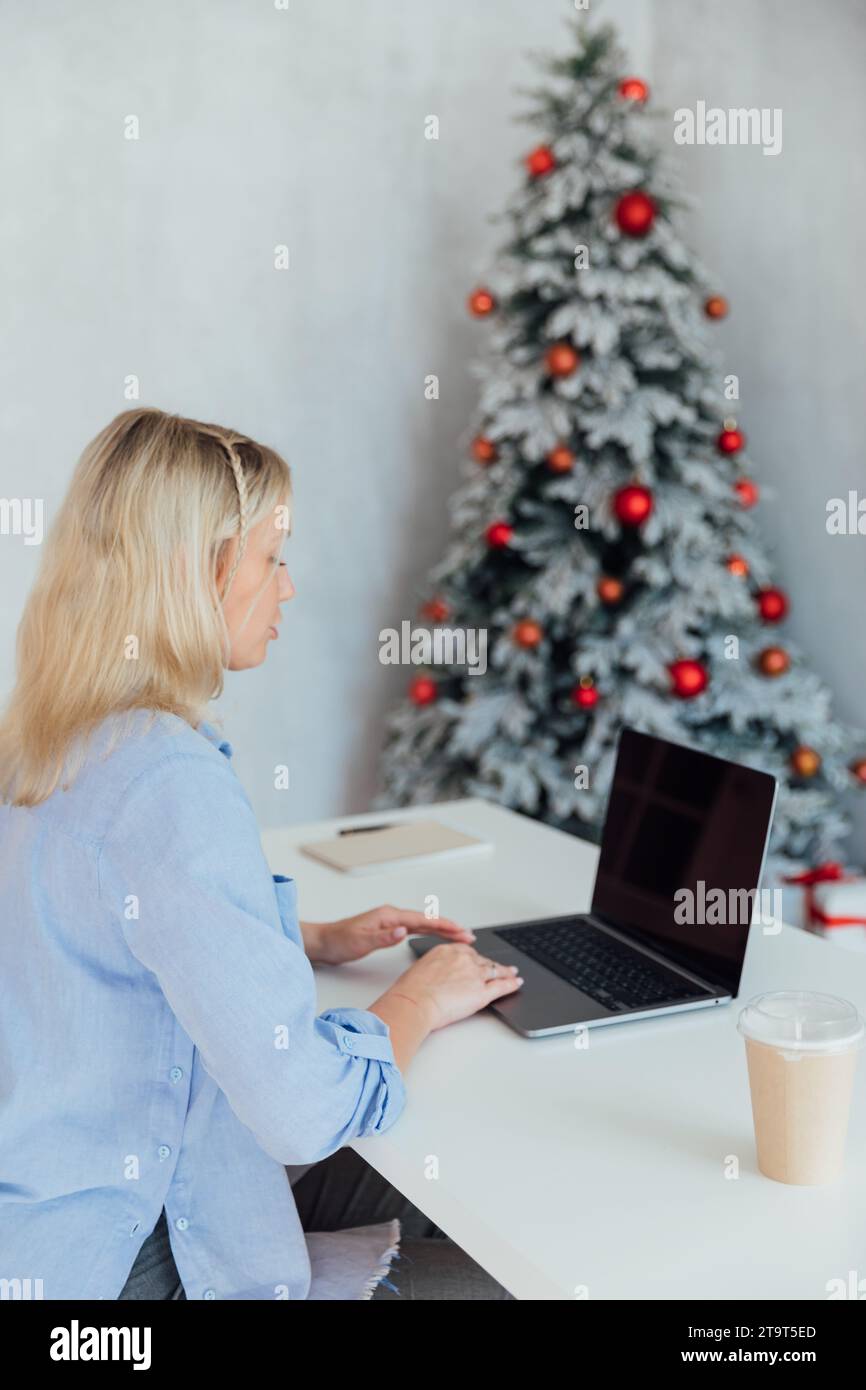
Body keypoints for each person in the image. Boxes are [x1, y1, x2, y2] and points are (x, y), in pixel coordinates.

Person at [0, 408, 521, 1301]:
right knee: (500, 1269)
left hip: (42, 1235)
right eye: (271, 558)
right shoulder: (168, 778)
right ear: (206, 571)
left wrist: (307, 939)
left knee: (445, 1186)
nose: (286, 587)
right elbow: (300, 1112)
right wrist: (417, 999)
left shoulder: (43, 740)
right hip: (139, 1263)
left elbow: (98, 935)